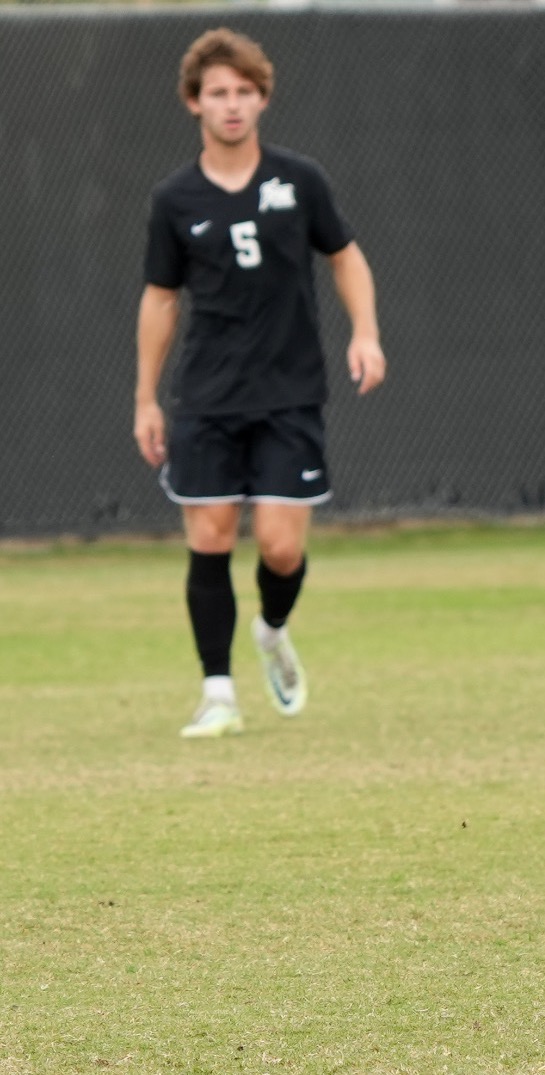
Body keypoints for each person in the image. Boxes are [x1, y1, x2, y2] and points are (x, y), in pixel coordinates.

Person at [135, 28, 387, 740]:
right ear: (194, 103)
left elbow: (346, 257)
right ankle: (217, 692)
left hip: (290, 392)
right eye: (218, 92)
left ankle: (272, 630)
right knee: (210, 537)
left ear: (263, 97)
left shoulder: (299, 179)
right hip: (206, 398)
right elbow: (159, 300)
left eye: (244, 91)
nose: (232, 104)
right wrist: (144, 398)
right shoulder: (174, 198)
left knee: (280, 546)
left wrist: (364, 331)